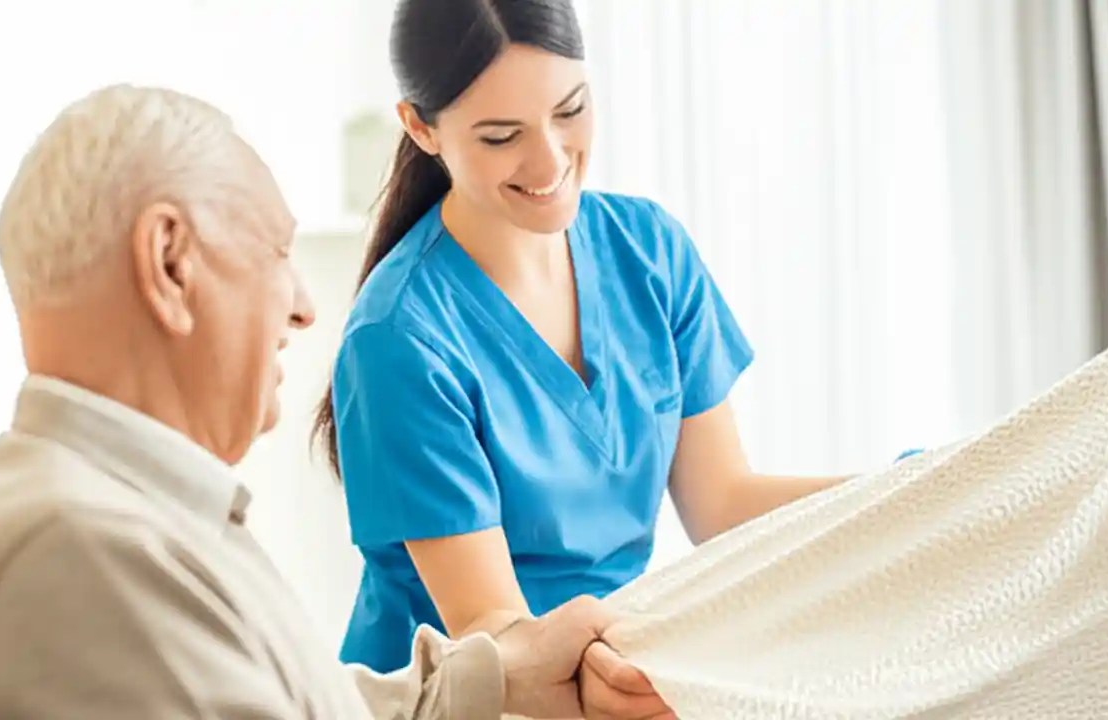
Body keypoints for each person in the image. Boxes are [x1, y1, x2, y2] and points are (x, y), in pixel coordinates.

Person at [0, 83, 671, 720]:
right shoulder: (77, 551)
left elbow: (294, 701)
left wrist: (492, 675)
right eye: (275, 253)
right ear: (169, 263)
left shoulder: (110, 518)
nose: (304, 306)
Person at [313, 0, 855, 675]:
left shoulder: (648, 250)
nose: (549, 162)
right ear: (421, 129)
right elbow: (492, 631)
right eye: (501, 135)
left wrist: (912, 491)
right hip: (475, 693)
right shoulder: (399, 340)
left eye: (569, 111)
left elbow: (722, 503)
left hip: (608, 663)